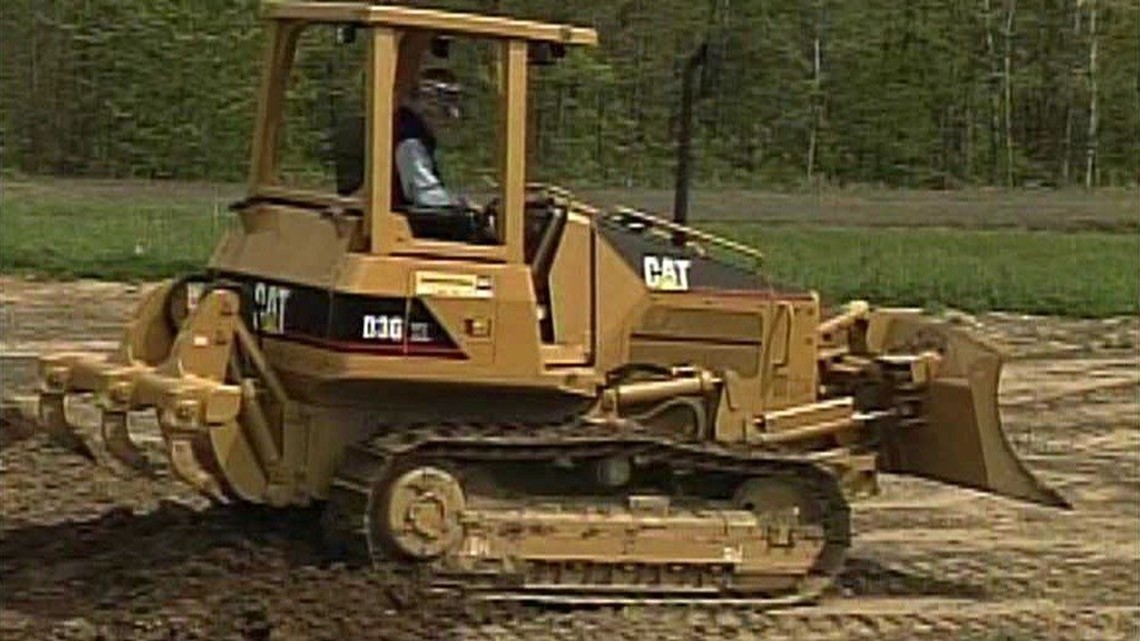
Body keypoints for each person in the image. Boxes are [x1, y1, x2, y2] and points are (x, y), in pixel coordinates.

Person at [392, 67, 464, 210]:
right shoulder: (409, 142)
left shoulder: (416, 138)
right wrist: (460, 204)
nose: (454, 115)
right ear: (424, 101)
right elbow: (426, 196)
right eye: (445, 103)